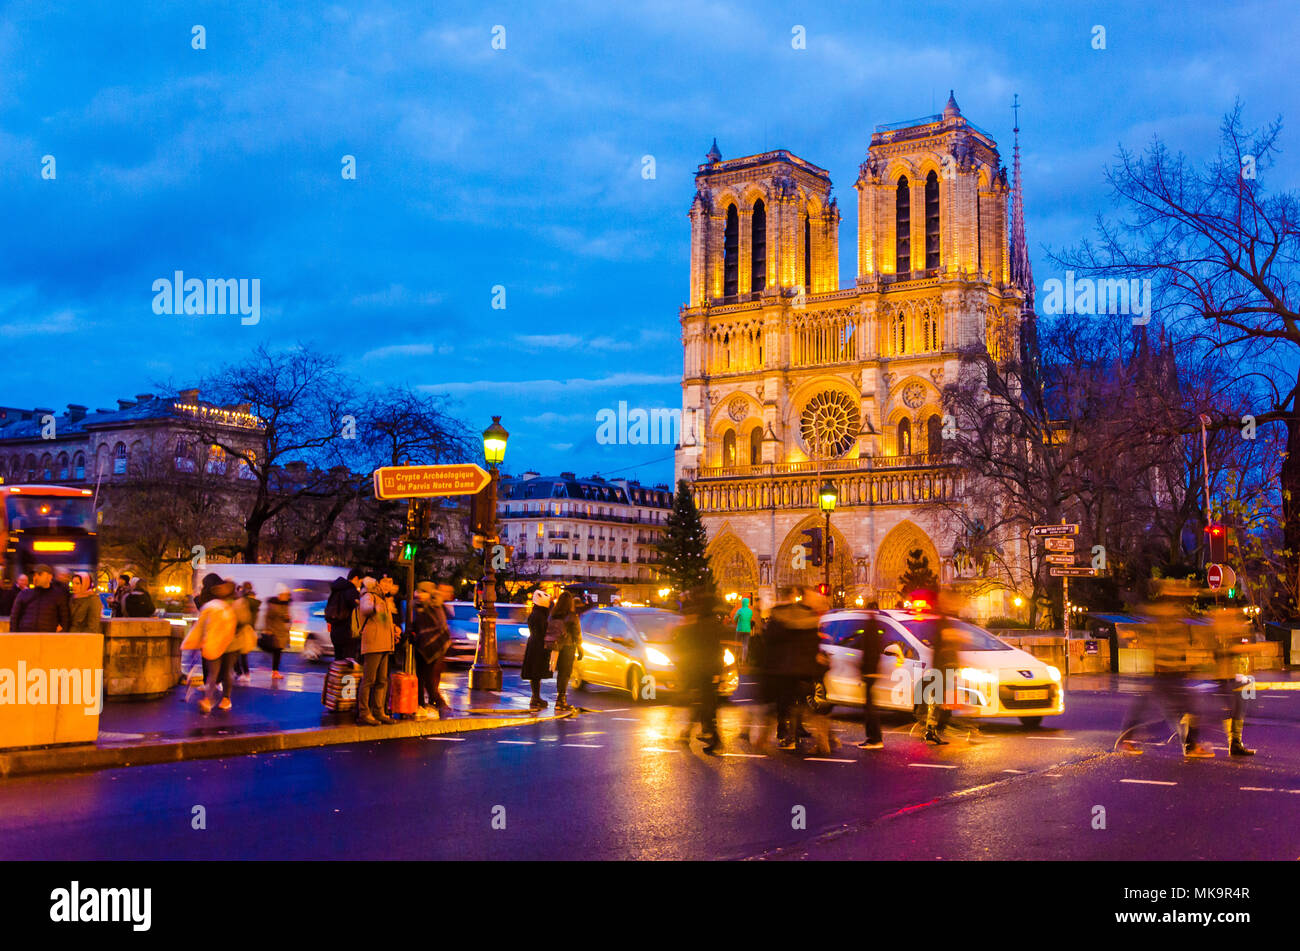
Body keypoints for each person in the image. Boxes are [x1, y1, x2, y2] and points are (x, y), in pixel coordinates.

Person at [1117, 600, 1215, 758]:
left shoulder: (1174, 627)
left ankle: (1189, 745)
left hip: (1171, 677)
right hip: (1165, 676)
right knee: (1188, 710)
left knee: (1172, 711)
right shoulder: (1163, 627)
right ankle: (1190, 746)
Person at [763, 586, 829, 751]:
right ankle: (823, 740)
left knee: (784, 705)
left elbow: (770, 643)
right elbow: (814, 643)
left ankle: (786, 737)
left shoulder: (780, 617)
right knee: (807, 707)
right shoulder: (808, 617)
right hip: (805, 668)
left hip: (786, 668)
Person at [182, 577, 239, 714]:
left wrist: (193, 642)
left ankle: (210, 699)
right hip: (229, 644)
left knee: (214, 673)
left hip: (214, 643)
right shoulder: (232, 605)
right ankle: (223, 699)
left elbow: (200, 626)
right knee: (225, 672)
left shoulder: (211, 605)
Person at [677, 587, 725, 752]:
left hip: (698, 667)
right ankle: (696, 733)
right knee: (703, 702)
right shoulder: (710, 621)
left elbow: (688, 642)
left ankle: (708, 736)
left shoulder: (697, 620)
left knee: (700, 702)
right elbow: (717, 647)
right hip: (707, 667)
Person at [354, 577, 398, 726]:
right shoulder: (369, 595)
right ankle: (364, 712)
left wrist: (394, 630)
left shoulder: (383, 599)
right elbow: (365, 610)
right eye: (385, 582)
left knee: (382, 680)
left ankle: (379, 711)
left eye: (390, 582)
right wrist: (374, 608)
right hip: (373, 644)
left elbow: (384, 620)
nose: (388, 585)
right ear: (377, 583)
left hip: (385, 644)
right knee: (369, 680)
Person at [410, 582, 453, 718]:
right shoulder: (416, 607)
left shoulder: (435, 607)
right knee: (421, 677)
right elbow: (415, 626)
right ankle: (422, 704)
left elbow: (440, 628)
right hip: (421, 647)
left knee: (429, 679)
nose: (420, 595)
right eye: (419, 591)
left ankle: (440, 704)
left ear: (430, 593)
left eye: (424, 592)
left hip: (435, 648)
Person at [547, 591, 590, 713]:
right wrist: (579, 647)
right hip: (568, 647)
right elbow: (577, 633)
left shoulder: (553, 615)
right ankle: (561, 700)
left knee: (560, 673)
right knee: (565, 674)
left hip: (556, 647)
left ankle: (560, 699)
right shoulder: (571, 616)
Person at [856, 609, 886, 750]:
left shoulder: (870, 628)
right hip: (870, 671)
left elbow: (871, 651)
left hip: (869, 671)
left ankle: (874, 738)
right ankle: (873, 737)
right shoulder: (874, 627)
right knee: (869, 705)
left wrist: (869, 671)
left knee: (870, 707)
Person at [10, 564, 71, 632]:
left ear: (49, 577)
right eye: (34, 575)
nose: (35, 577)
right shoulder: (24, 594)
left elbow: (65, 620)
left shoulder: (58, 596)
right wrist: (13, 635)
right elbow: (14, 617)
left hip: (47, 638)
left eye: (39, 574)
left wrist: (60, 637)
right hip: (26, 636)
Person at [520, 589, 553, 710]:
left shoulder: (535, 613)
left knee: (535, 673)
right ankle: (536, 697)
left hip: (534, 644)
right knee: (536, 673)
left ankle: (536, 697)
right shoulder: (541, 615)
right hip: (538, 646)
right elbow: (543, 631)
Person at [325, 569, 364, 661]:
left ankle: (336, 675)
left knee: (338, 661)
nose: (360, 585)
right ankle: (346, 676)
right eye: (361, 581)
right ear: (356, 578)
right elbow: (358, 610)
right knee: (348, 663)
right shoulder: (351, 591)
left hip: (335, 632)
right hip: (347, 632)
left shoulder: (336, 590)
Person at [262, 584, 291, 681]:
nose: (287, 596)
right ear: (280, 594)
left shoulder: (285, 604)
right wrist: (268, 629)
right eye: (285, 594)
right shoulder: (273, 605)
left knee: (277, 652)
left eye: (287, 595)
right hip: (275, 632)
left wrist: (287, 619)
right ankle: (275, 672)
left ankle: (275, 671)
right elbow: (267, 617)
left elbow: (286, 618)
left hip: (282, 632)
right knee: (277, 652)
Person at [232, 582, 259, 683]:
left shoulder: (245, 601)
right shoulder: (254, 602)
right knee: (242, 653)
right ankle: (244, 673)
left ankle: (241, 673)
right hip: (249, 629)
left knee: (238, 653)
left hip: (242, 629)